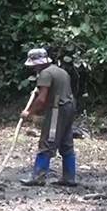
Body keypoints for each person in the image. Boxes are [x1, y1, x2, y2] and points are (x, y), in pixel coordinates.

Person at [19, 49, 77, 187]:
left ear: (38, 64)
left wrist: (29, 113)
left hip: (57, 110)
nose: (33, 68)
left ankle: (38, 177)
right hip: (69, 108)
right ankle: (69, 178)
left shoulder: (45, 74)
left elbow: (42, 100)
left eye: (34, 65)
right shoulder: (60, 71)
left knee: (47, 142)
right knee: (66, 143)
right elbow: (56, 90)